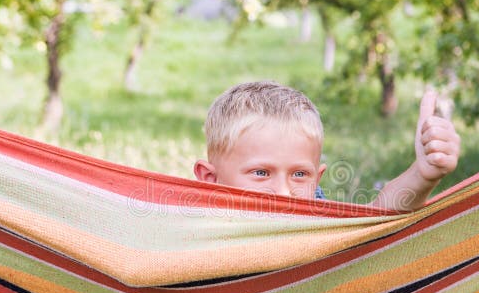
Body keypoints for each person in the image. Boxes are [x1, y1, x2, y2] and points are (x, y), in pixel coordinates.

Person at [193, 81, 460, 211]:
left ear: (317, 178)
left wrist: (422, 174)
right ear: (210, 178)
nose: (284, 193)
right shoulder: (186, 229)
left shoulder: (315, 220)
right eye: (261, 173)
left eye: (300, 175)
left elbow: (376, 219)